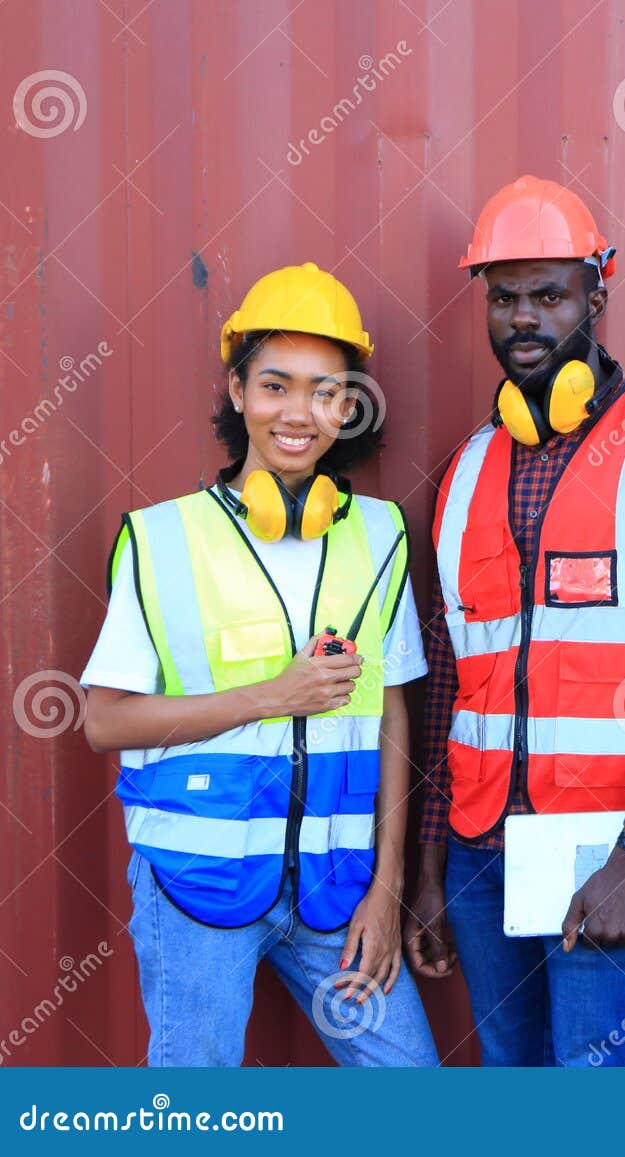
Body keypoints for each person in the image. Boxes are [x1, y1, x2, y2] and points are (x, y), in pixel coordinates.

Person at [403, 176, 625, 1066]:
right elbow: (449, 681)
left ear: (596, 296)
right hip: (476, 853)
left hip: (601, 846)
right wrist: (429, 869)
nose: (524, 317)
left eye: (549, 295)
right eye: (504, 297)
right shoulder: (464, 471)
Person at [80, 263, 439, 1067]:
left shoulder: (380, 536)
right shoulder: (162, 539)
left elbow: (391, 714)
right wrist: (275, 694)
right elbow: (104, 721)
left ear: (348, 407)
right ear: (238, 391)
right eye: (275, 385)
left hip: (337, 890)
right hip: (196, 886)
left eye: (324, 391)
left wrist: (388, 888)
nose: (298, 413)